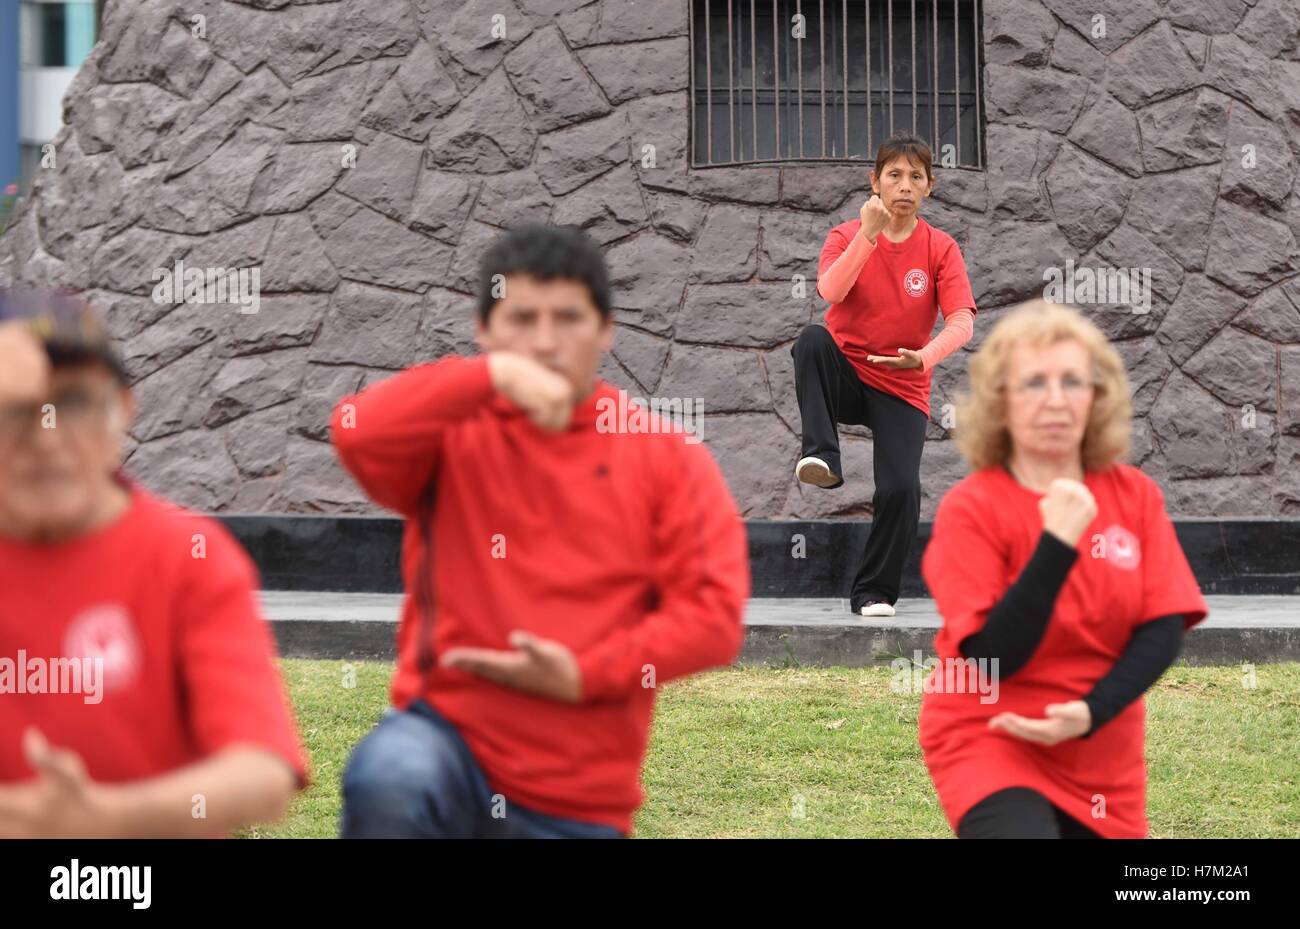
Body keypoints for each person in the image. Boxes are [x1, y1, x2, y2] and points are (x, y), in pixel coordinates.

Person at [331, 224, 749, 839]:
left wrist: (584, 673)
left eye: (569, 318)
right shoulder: (451, 433)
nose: (545, 342)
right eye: (521, 319)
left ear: (605, 330)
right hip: (444, 743)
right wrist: (490, 379)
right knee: (390, 778)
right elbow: (354, 429)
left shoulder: (666, 456)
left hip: (578, 792)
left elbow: (713, 617)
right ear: (484, 331)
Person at [0, 289, 306, 838]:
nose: (46, 441)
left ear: (123, 411)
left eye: (71, 404)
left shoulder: (188, 558)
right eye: (15, 411)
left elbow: (263, 773)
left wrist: (104, 821)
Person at [919, 299, 1208, 839]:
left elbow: (1163, 628)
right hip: (991, 733)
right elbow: (992, 659)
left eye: (1073, 381)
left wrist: (1091, 713)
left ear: (1097, 397)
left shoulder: (1134, 497)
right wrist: (1057, 544)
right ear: (1001, 402)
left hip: (1099, 745)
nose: (1055, 400)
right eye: (1033, 383)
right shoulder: (971, 508)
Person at [793, 131, 977, 618]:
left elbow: (962, 320)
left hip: (902, 382)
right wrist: (866, 236)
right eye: (893, 174)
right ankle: (821, 456)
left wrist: (925, 356)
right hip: (847, 376)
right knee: (811, 339)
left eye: (916, 176)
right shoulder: (844, 236)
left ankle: (873, 593)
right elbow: (831, 292)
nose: (904, 185)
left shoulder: (940, 248)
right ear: (874, 182)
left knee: (900, 489)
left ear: (929, 187)